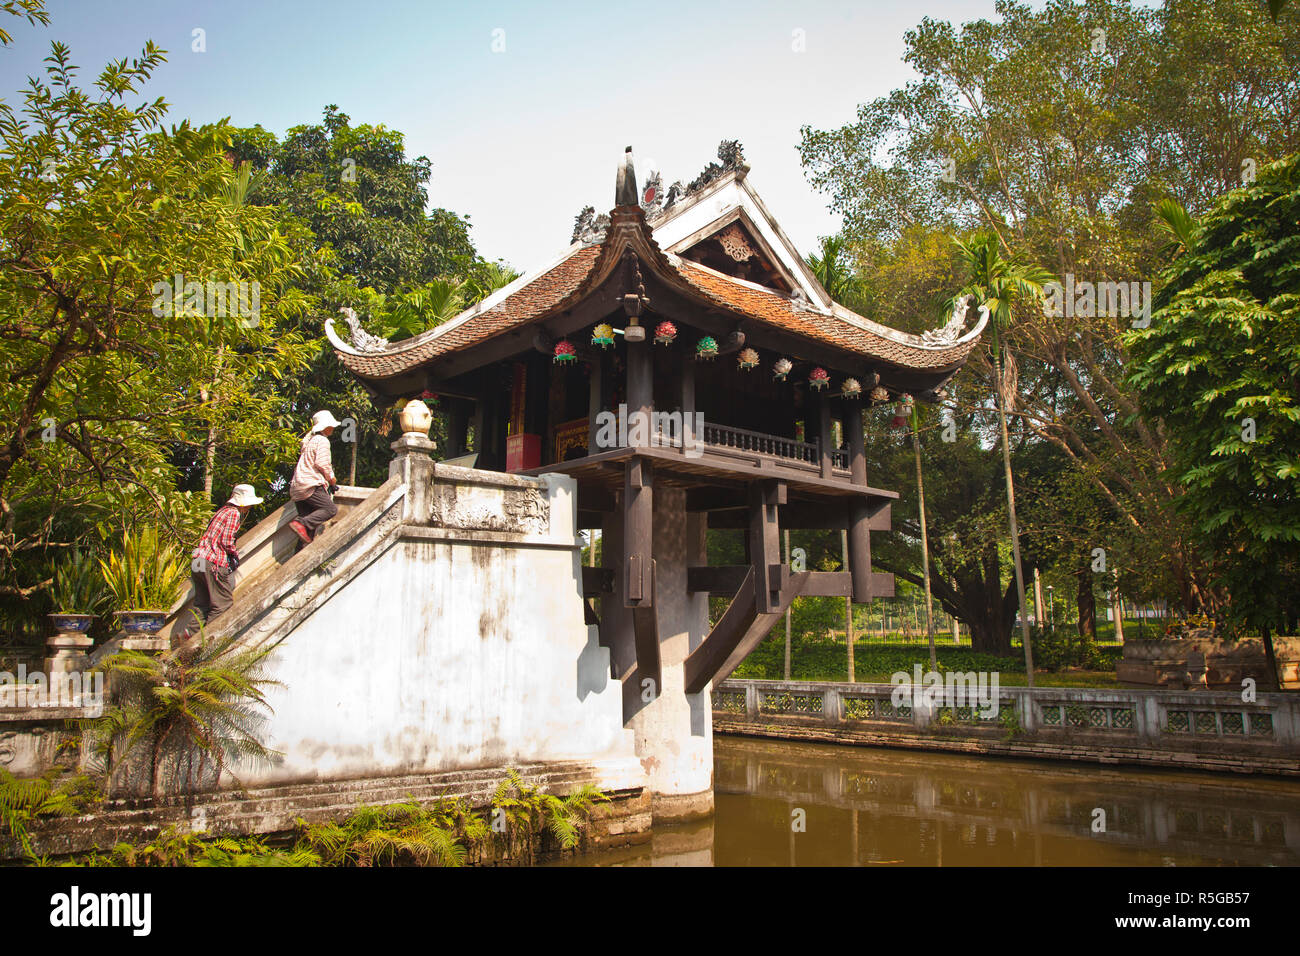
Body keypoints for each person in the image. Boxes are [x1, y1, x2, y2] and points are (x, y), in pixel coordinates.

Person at [190, 483, 262, 628]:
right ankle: (206, 643)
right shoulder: (234, 513)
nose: (249, 508)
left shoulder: (222, 511)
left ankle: (188, 636)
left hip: (198, 560)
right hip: (212, 560)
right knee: (223, 603)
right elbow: (226, 540)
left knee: (202, 604)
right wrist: (234, 554)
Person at [289, 410, 341, 545]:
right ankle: (301, 523)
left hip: (297, 486)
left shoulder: (310, 441)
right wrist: (332, 480)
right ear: (325, 426)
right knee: (330, 509)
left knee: (306, 534)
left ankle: (298, 559)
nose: (333, 428)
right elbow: (322, 463)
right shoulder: (322, 440)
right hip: (310, 485)